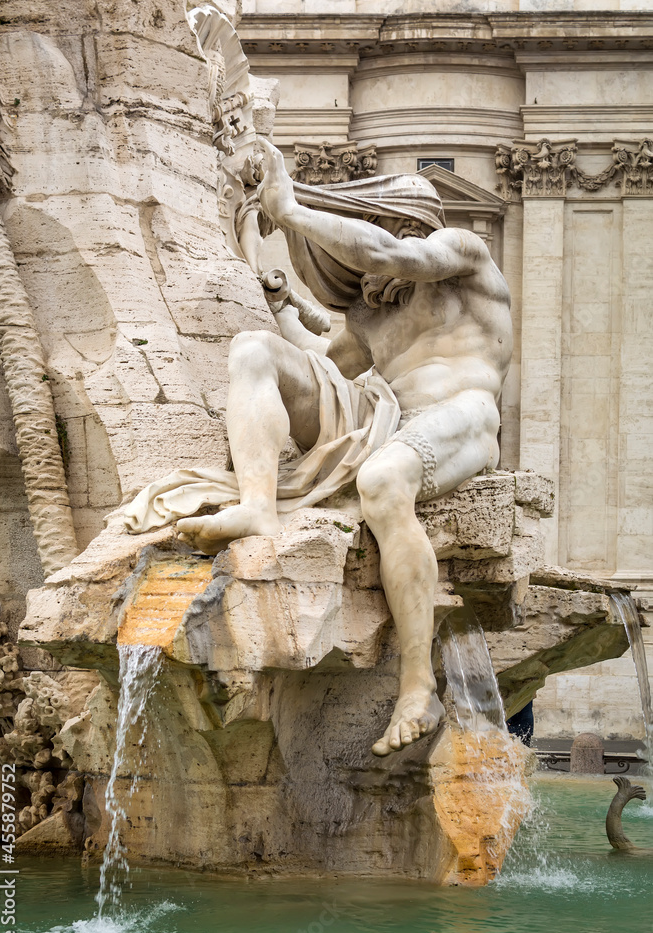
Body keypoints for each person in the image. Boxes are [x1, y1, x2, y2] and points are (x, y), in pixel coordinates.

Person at [124, 139, 513, 757]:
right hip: (389, 416)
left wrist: (295, 211)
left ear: (401, 227)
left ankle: (418, 685)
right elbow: (321, 363)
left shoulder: (463, 253)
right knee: (254, 351)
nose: (360, 267)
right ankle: (256, 505)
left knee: (383, 482)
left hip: (462, 415)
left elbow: (389, 253)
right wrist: (282, 304)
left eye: (366, 235)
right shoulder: (371, 315)